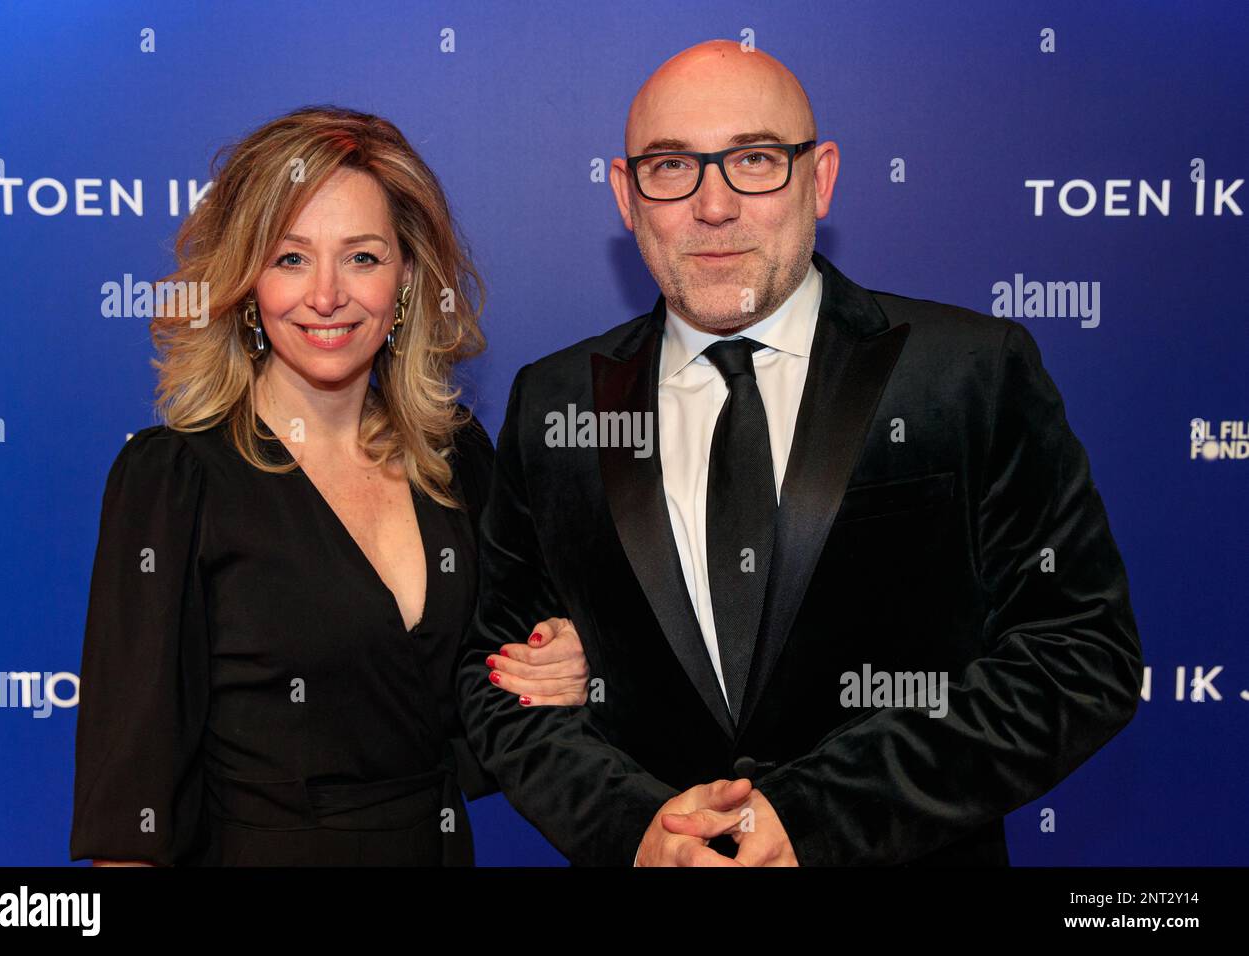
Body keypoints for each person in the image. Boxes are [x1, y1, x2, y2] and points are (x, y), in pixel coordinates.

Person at [457, 40, 1143, 866]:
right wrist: (636, 830)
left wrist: (812, 816)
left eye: (753, 160)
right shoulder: (555, 401)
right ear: (625, 194)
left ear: (820, 178)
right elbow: (496, 684)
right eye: (671, 167)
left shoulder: (967, 373)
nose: (713, 206)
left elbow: (1081, 655)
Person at [70, 106, 590, 867]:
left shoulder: (457, 461)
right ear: (246, 280)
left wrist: (566, 660)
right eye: (289, 258)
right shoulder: (175, 481)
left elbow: (506, 685)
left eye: (362, 258)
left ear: (407, 278)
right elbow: (132, 813)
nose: (325, 295)